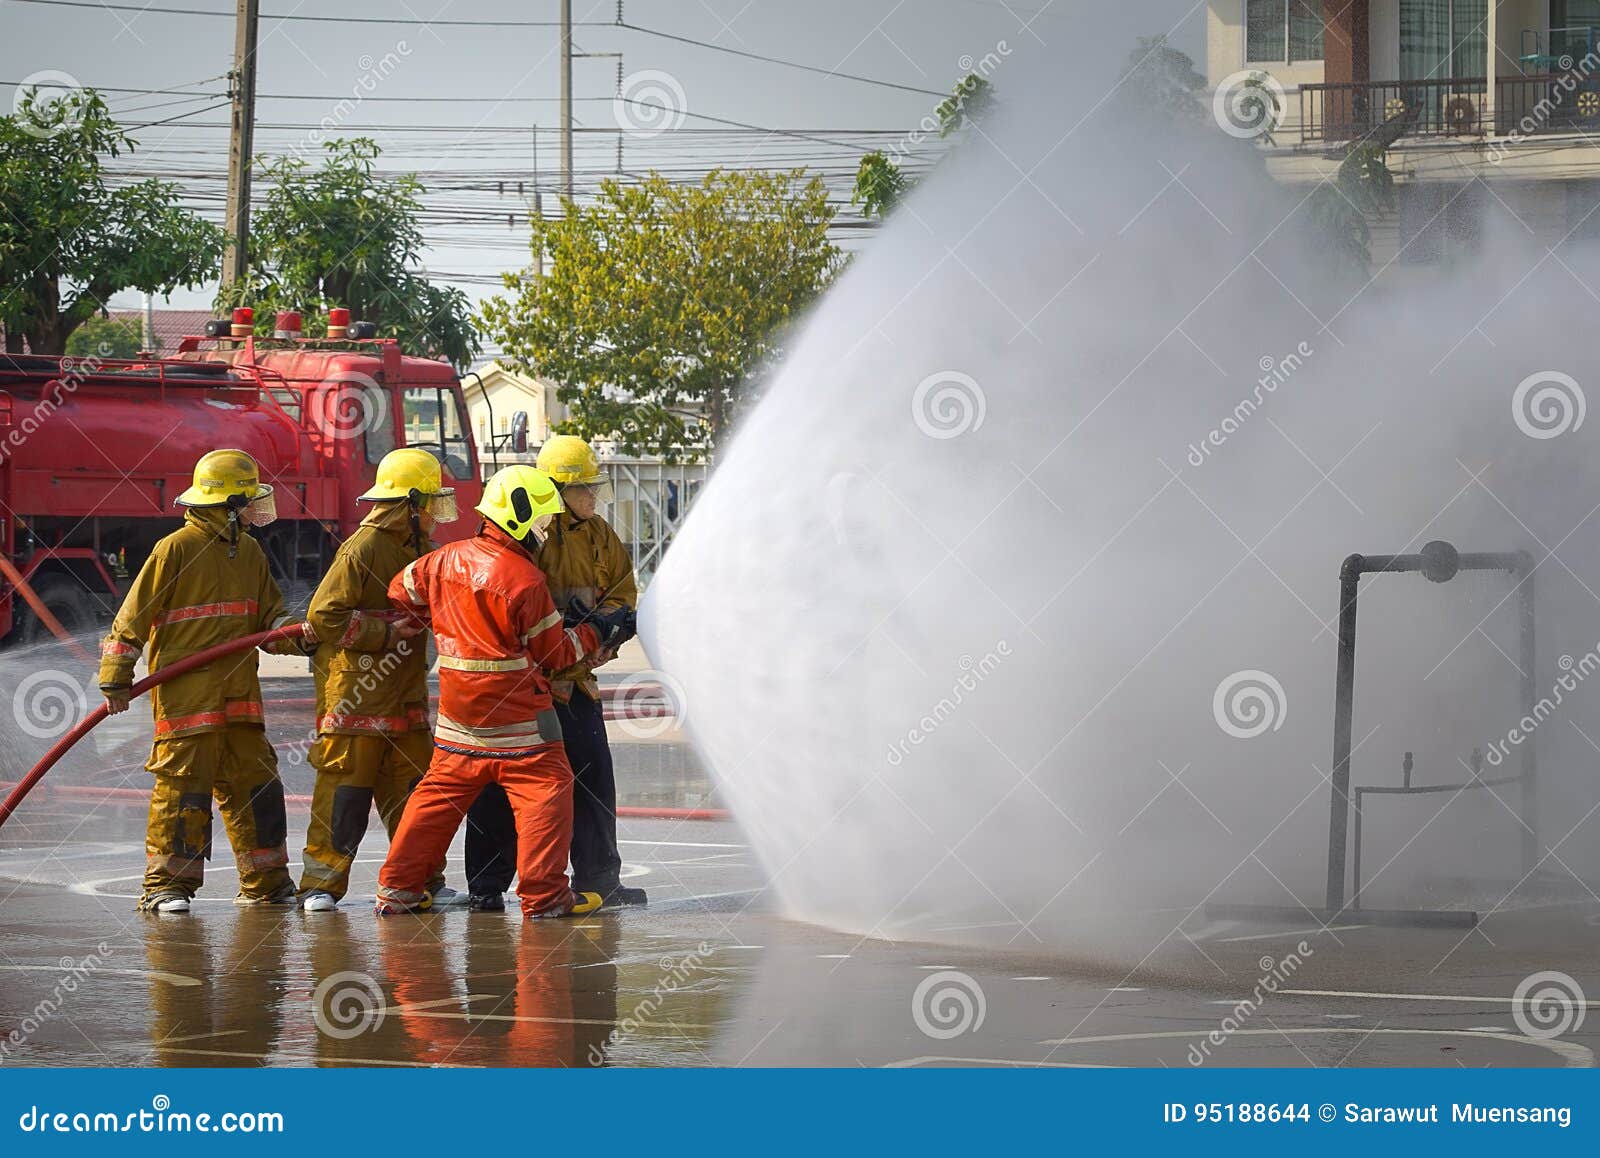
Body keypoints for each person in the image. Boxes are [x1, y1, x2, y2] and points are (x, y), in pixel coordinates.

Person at [374, 465, 635, 920]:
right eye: (539, 520)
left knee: (435, 800)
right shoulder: (523, 579)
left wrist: (436, 618)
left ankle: (397, 890)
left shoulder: (443, 560)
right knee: (549, 791)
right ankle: (545, 896)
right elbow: (556, 652)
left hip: (458, 719)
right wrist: (597, 629)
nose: (545, 529)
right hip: (517, 722)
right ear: (517, 517)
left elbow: (402, 590)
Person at [99, 449, 312, 913]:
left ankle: (268, 884)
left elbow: (268, 617)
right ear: (227, 504)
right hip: (187, 701)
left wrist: (299, 636)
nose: (257, 509)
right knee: (183, 791)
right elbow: (131, 619)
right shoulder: (175, 548)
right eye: (248, 499)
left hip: (240, 700)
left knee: (257, 787)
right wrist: (116, 678)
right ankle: (165, 888)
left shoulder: (250, 552)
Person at [465, 435, 644, 910]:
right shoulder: (533, 531)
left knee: (593, 778)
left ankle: (599, 880)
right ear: (559, 489)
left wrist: (608, 632)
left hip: (578, 679)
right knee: (500, 784)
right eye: (586, 488)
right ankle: (486, 887)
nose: (594, 497)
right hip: (525, 685)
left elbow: (623, 595)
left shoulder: (600, 533)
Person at [296, 447, 464, 912]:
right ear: (409, 505)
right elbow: (325, 615)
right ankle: (321, 885)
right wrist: (385, 633)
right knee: (345, 792)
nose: (436, 513)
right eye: (431, 503)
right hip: (356, 697)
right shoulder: (364, 546)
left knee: (414, 795)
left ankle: (425, 879)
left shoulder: (424, 551)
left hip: (406, 696)